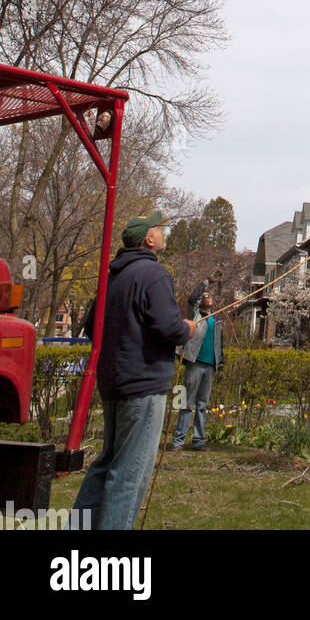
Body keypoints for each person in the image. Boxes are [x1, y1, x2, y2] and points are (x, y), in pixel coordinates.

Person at [71, 211, 198, 530]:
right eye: (159, 228)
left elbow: (90, 326)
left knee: (105, 464)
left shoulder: (111, 276)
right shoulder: (153, 274)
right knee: (129, 475)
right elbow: (170, 327)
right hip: (143, 386)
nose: (164, 231)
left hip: (113, 384)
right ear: (148, 240)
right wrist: (187, 329)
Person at [172, 283, 224, 451]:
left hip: (210, 366)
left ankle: (198, 440)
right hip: (194, 363)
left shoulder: (216, 320)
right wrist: (206, 283)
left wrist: (220, 364)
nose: (207, 297)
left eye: (210, 296)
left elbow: (219, 344)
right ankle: (178, 440)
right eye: (205, 296)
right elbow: (192, 298)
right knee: (187, 403)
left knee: (202, 405)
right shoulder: (195, 315)